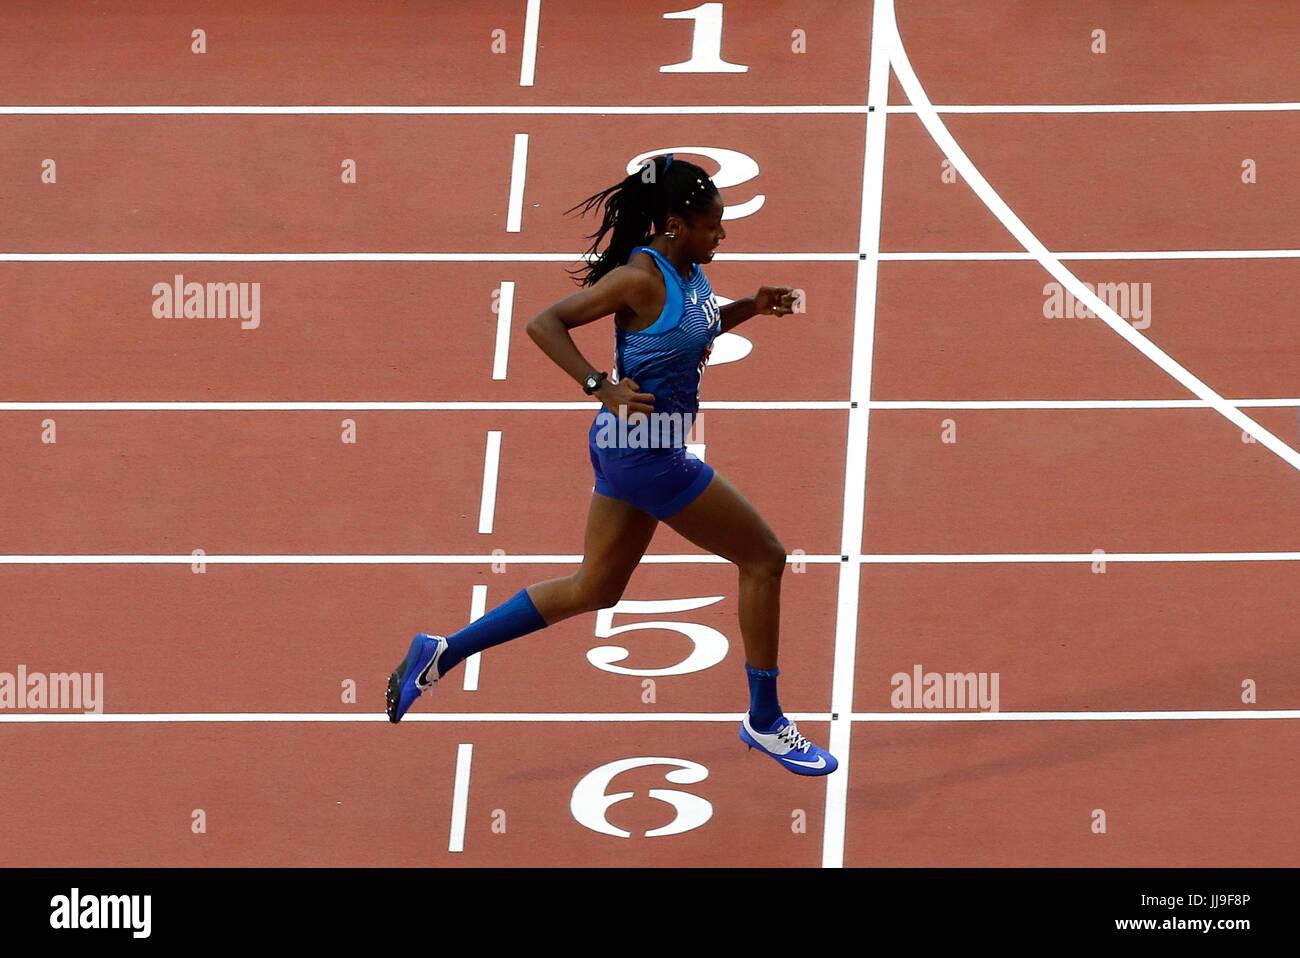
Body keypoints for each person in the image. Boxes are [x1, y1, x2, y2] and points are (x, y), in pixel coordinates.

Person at [386, 153, 838, 776]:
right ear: (676, 224)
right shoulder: (640, 278)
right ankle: (765, 720)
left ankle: (439, 653)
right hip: (649, 453)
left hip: (633, 446)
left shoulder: (689, 267)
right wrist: (602, 385)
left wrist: (750, 308)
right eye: (714, 226)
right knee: (765, 559)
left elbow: (690, 329)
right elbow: (544, 323)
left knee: (595, 588)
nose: (723, 236)